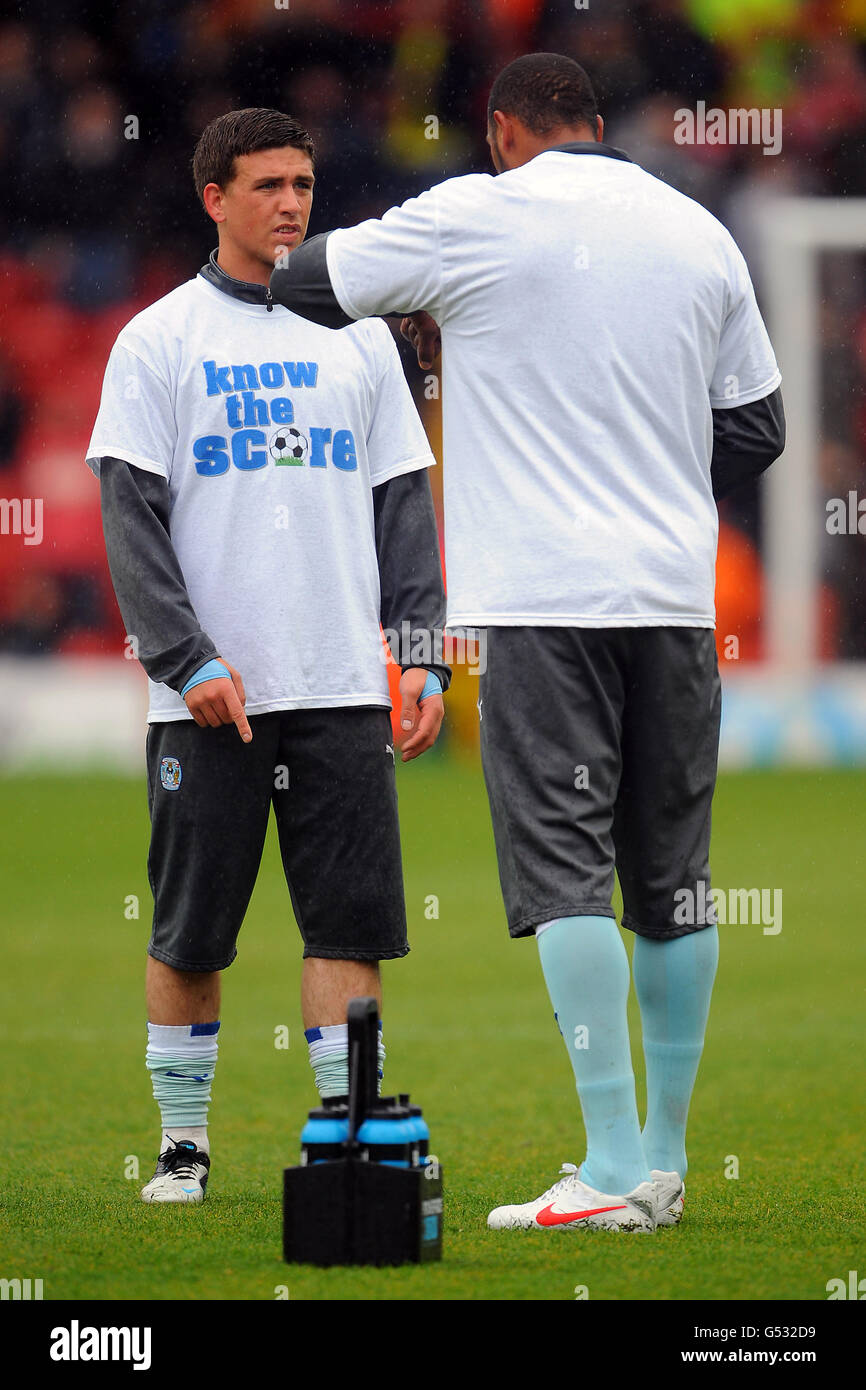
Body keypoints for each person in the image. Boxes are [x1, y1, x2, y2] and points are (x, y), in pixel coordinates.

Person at [269, 54, 786, 1232]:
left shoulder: (471, 215)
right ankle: (661, 1156)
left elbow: (306, 280)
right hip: (670, 594)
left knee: (562, 873)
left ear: (500, 131)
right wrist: (646, 476)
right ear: (598, 128)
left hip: (544, 597)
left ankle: (605, 1167)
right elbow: (754, 425)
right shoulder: (693, 228)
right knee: (672, 881)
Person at [85, 108, 449, 1204]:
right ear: (214, 198)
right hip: (209, 699)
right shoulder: (159, 338)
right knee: (192, 931)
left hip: (340, 683)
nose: (293, 202)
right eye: (268, 185)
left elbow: (401, 500)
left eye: (302, 181)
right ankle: (183, 1146)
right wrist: (185, 656)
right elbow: (129, 516)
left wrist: (421, 648)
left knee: (348, 926)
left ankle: (342, 1134)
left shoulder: (359, 333)